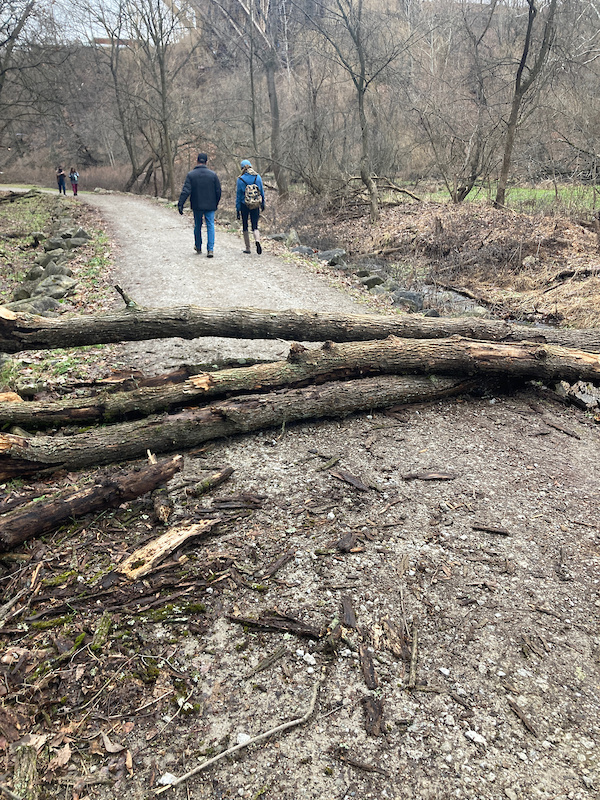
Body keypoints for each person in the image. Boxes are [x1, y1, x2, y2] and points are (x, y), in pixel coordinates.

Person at [177, 152, 221, 257]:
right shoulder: (213, 175)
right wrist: (216, 202)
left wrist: (180, 204)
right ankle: (210, 249)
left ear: (197, 161)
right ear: (206, 162)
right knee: (210, 225)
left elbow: (186, 191)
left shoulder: (191, 175)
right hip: (210, 205)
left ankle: (198, 246)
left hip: (197, 205)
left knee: (198, 225)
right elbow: (218, 191)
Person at [236, 159, 265, 254]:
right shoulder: (257, 177)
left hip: (244, 205)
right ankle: (257, 241)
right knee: (255, 226)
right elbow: (262, 192)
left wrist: (238, 209)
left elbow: (239, 196)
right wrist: (263, 203)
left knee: (245, 225)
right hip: (255, 204)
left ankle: (248, 248)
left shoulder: (240, 179)